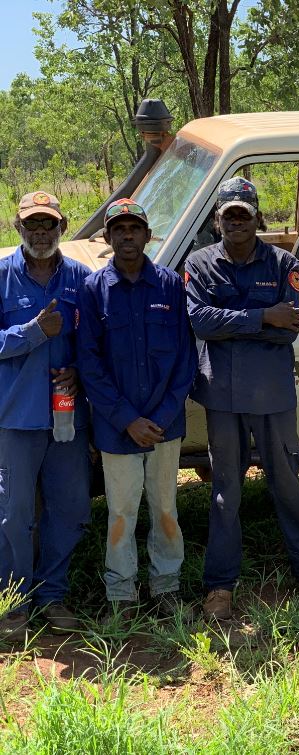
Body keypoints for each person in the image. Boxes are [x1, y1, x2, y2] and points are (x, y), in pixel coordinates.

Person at [185, 178, 299, 621]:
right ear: (216, 221)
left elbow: (288, 328)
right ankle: (220, 587)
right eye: (228, 214)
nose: (236, 221)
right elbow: (199, 320)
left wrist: (237, 324)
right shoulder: (198, 265)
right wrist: (260, 316)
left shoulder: (283, 263)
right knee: (225, 492)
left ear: (258, 218)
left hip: (272, 395)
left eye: (244, 214)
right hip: (222, 395)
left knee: (288, 482)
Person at [77, 199, 197, 620]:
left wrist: (160, 418)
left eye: (135, 228)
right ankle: (122, 596)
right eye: (119, 230)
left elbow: (186, 359)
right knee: (121, 512)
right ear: (108, 238)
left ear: (148, 235)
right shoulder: (93, 291)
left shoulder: (169, 285)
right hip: (117, 428)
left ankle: (166, 588)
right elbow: (89, 364)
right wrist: (128, 420)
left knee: (165, 508)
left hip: (165, 425)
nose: (127, 236)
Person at [0, 191, 91, 633]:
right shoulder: (1, 277)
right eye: (32, 225)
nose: (40, 232)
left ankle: (53, 596)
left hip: (68, 415)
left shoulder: (80, 278)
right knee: (15, 512)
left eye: (48, 224)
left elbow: (97, 344)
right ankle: (14, 604)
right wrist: (33, 332)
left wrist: (81, 374)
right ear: (18, 228)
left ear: (63, 227)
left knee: (70, 506)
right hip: (16, 416)